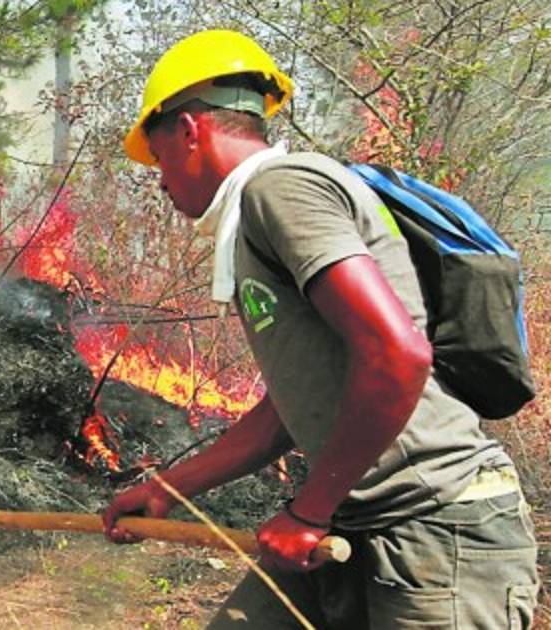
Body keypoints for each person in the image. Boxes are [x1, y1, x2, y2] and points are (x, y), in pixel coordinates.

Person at [101, 29, 540, 629]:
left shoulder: (280, 190)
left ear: (189, 129)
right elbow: (286, 412)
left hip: (435, 530)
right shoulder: (258, 214)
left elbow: (397, 354)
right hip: (353, 522)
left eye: (158, 157)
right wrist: (168, 489)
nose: (159, 180)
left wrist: (308, 511)